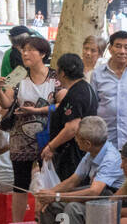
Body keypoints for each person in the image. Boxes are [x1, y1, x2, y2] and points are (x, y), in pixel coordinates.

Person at [28, 115, 125, 224]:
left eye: (77, 138)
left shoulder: (110, 158)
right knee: (51, 204)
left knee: (72, 209)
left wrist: (57, 196)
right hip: (96, 198)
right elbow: (74, 180)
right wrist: (48, 194)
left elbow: (95, 192)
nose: (75, 140)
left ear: (87, 143)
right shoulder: (92, 152)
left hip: (108, 202)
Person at [0, 35, 55, 224]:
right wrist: (0, 89)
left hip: (49, 137)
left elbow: (62, 104)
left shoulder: (55, 76)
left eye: (30, 49)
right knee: (20, 184)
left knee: (50, 180)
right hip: (20, 138)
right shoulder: (17, 75)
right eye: (23, 49)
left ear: (43, 53)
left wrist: (38, 110)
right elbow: (5, 103)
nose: (25, 53)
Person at [89, 30, 127, 151]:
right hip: (105, 140)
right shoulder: (98, 73)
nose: (122, 51)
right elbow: (93, 106)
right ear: (110, 49)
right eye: (118, 46)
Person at [41, 53, 96, 181]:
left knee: (70, 190)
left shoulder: (76, 94)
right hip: (80, 152)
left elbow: (72, 127)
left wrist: (51, 146)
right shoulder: (85, 88)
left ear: (63, 73)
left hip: (74, 154)